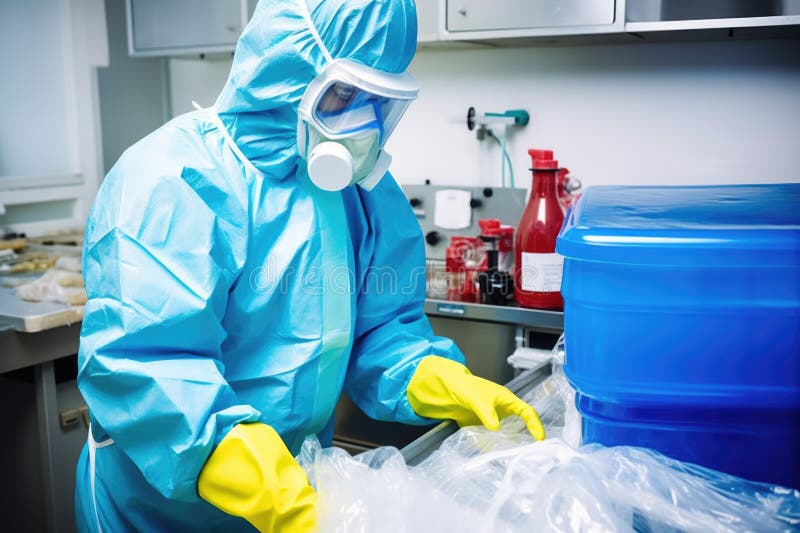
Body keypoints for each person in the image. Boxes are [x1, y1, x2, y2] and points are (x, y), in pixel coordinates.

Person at [74, 0, 545, 531]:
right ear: (283, 70)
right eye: (344, 95)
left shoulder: (358, 193)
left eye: (377, 101)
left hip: (297, 491)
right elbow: (148, 366)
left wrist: (441, 380)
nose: (361, 121)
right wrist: (274, 491)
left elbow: (381, 333)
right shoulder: (171, 181)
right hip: (163, 510)